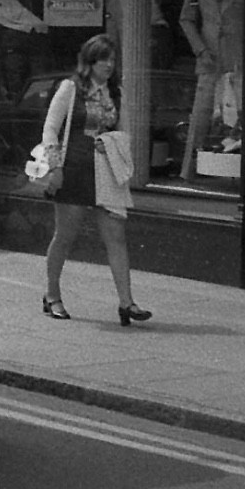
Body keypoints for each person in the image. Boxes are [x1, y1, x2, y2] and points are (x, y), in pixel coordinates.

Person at [39, 33, 152, 326]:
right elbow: (50, 128)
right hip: (74, 169)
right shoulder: (70, 88)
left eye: (112, 60)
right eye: (104, 59)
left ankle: (127, 303)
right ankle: (52, 294)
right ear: (89, 61)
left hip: (107, 172)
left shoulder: (116, 93)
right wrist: (55, 166)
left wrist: (111, 140)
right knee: (65, 236)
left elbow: (125, 132)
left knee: (116, 237)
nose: (109, 65)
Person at [178, 0, 245, 179]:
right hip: (209, 59)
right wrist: (200, 49)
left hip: (237, 59)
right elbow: (186, 18)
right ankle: (189, 172)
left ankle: (233, 174)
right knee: (200, 116)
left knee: (237, 118)